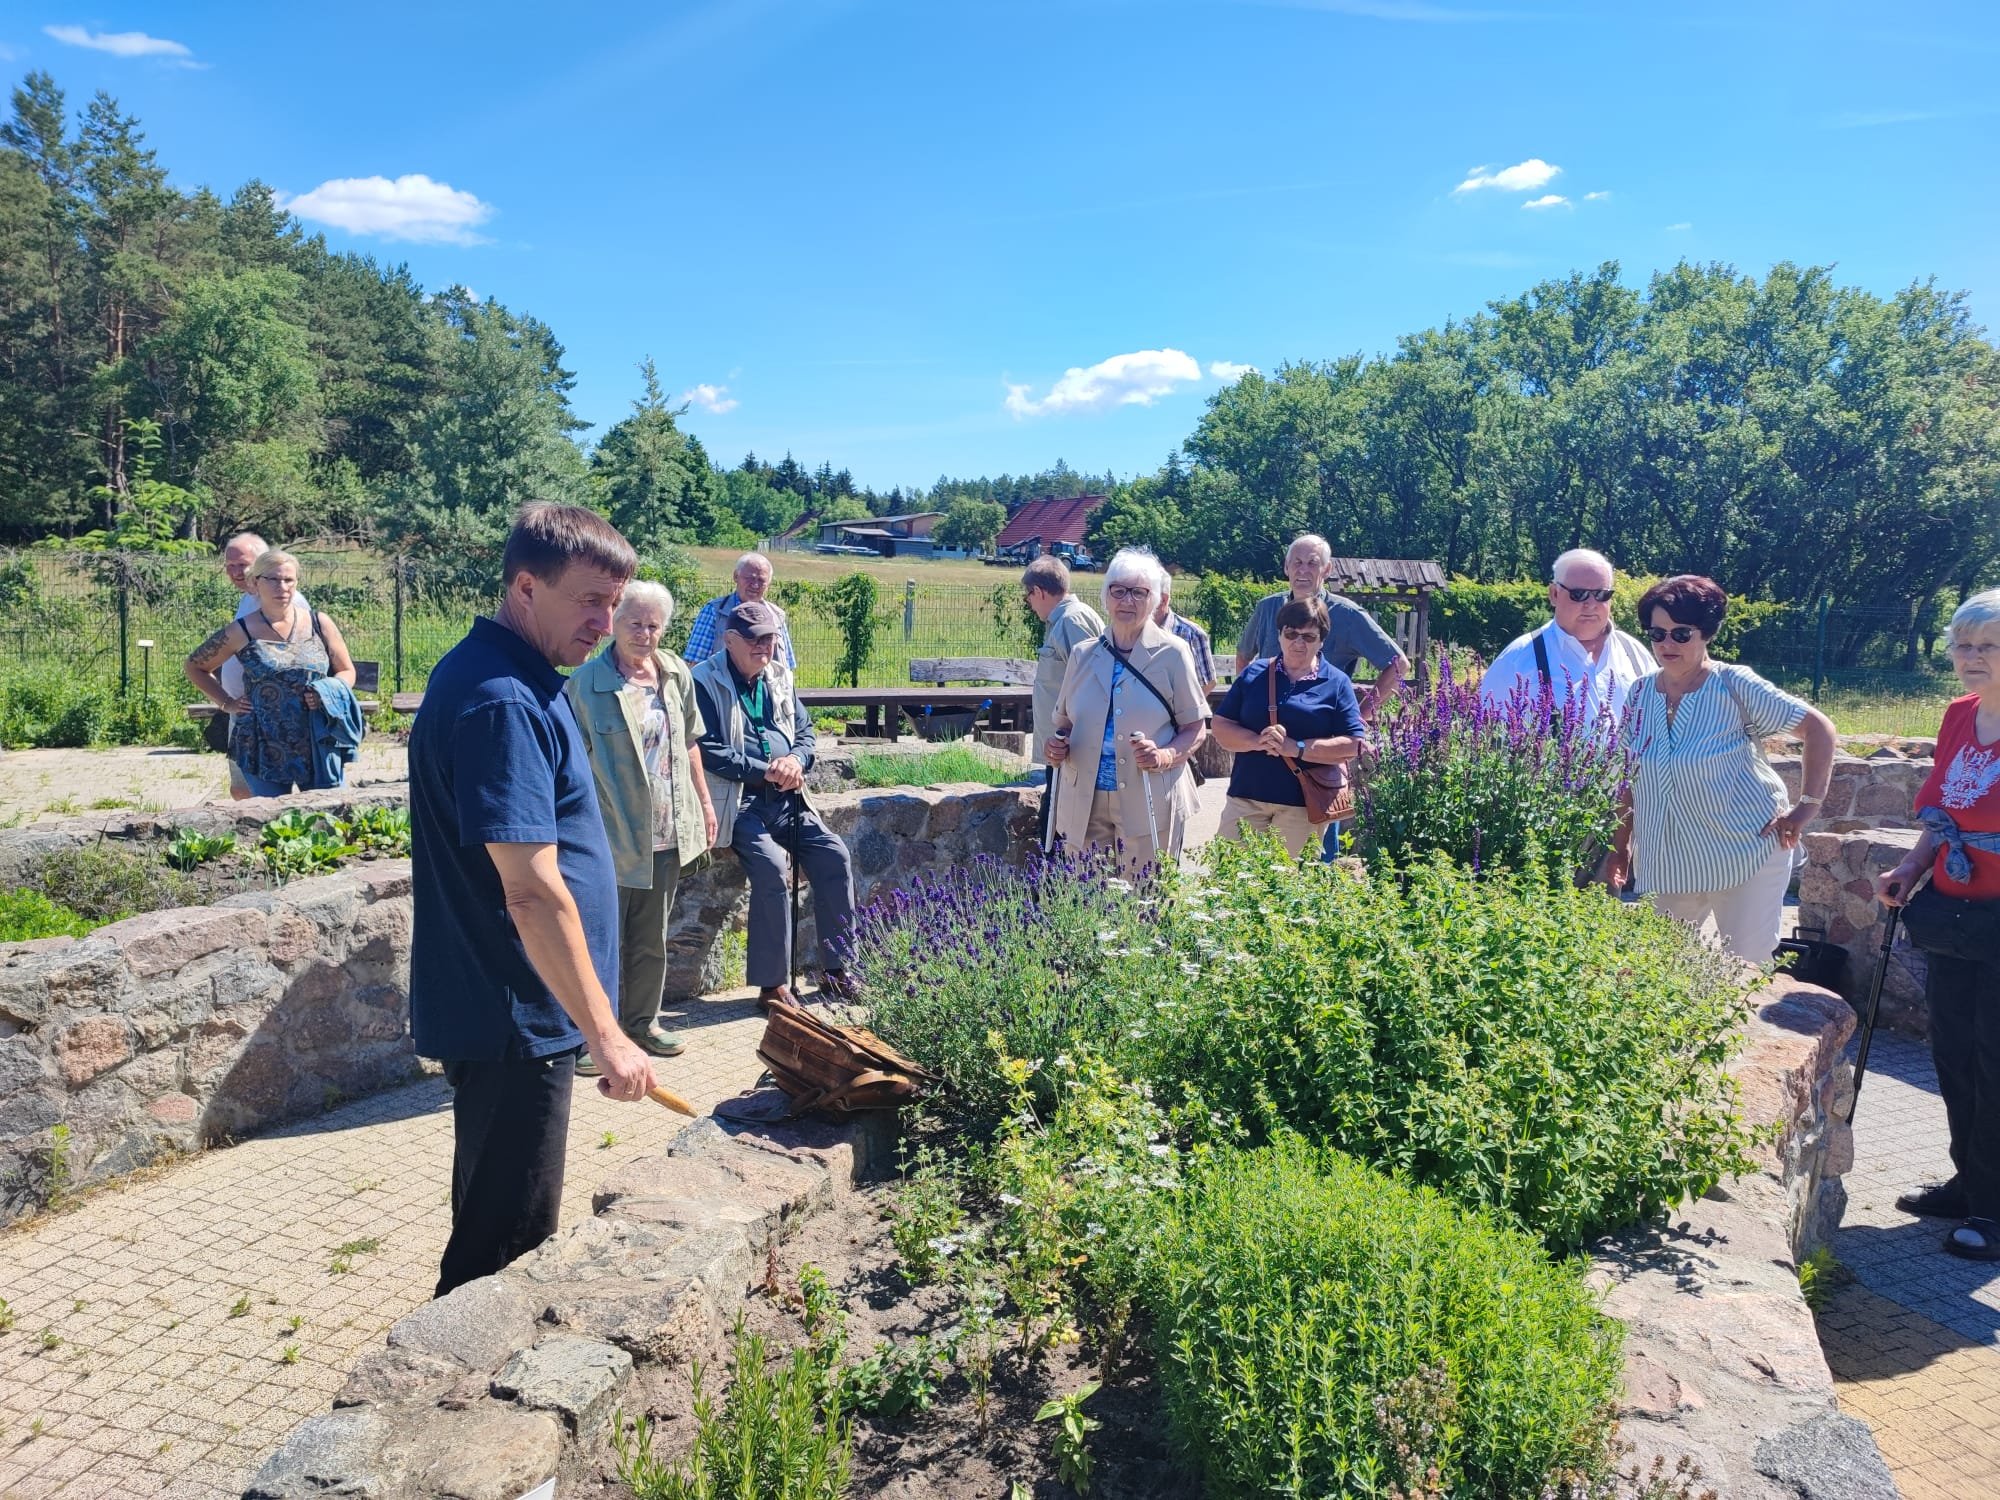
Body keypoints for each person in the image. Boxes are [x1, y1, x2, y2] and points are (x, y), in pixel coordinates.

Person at [407, 503, 653, 1298]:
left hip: (517, 1015)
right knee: (498, 1260)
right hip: (515, 1015)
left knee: (497, 1224)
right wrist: (608, 1036)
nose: (604, 622)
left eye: (615, 604)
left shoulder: (514, 677)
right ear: (524, 586)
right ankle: (455, 1409)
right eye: (589, 601)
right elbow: (531, 891)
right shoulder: (503, 699)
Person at [1606, 575, 1836, 964]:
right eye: (1657, 633)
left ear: (1707, 632)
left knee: (1743, 967)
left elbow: (1818, 729)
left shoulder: (1734, 685)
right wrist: (1620, 848)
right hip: (1668, 860)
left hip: (1745, 852)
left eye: (1681, 634)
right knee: (1662, 971)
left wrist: (1806, 808)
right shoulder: (1640, 693)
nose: (1666, 644)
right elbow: (1628, 775)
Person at [1874, 588, 2000, 1262]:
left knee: (1997, 1059)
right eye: (1963, 645)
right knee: (1952, 1049)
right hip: (1952, 910)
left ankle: (1995, 1208)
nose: (1971, 657)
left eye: (1988, 645)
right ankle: (1971, 1182)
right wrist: (1912, 866)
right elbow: (1939, 813)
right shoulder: (1958, 716)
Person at [566, 580, 718, 1072]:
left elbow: (691, 742)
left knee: (652, 937)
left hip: (666, 831)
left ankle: (642, 1024)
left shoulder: (676, 674)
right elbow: (569, 762)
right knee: (600, 940)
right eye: (635, 623)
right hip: (610, 834)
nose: (645, 634)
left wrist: (704, 803)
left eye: (654, 625)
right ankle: (596, 1037)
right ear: (614, 622)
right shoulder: (585, 683)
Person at [693, 600, 857, 1008]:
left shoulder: (778, 676)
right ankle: (772, 987)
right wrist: (764, 768)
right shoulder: (703, 681)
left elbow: (805, 732)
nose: (764, 648)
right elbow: (707, 747)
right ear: (730, 640)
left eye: (769, 639)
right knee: (771, 868)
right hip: (741, 801)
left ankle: (837, 970)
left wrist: (795, 761)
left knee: (834, 855)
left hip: (786, 796)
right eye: (754, 640)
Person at [1045, 549, 1210, 873]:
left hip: (1149, 799)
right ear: (1106, 597)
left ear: (1155, 600)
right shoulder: (1082, 655)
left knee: (1143, 903)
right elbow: (1063, 724)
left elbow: (1195, 727)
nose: (1127, 600)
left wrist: (1164, 756)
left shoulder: (1174, 653)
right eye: (1118, 590)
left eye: (1139, 592)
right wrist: (1056, 747)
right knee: (1087, 903)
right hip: (1084, 802)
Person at [185, 548, 358, 797]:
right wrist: (226, 703)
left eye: (289, 580)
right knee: (271, 823)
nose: (283, 587)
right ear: (256, 583)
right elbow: (195, 666)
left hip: (318, 740)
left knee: (329, 820)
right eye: (273, 579)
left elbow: (346, 671)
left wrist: (327, 693)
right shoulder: (241, 631)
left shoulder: (320, 623)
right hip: (261, 744)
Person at [1209, 596, 1371, 858]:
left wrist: (1295, 747)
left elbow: (1353, 744)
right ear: (1280, 635)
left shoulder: (1336, 683)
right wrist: (1258, 741)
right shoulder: (1254, 674)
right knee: (1230, 881)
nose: (1298, 642)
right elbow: (1221, 726)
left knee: (1284, 889)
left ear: (1322, 641)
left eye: (1308, 636)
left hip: (1301, 807)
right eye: (1291, 633)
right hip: (1245, 798)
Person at [1477, 548, 1653, 724]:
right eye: (1579, 594)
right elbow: (1487, 736)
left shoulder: (1634, 653)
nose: (1591, 604)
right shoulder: (1517, 659)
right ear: (1554, 594)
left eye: (1601, 594)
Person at [1234, 533, 1407, 707]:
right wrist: (1246, 703)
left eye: (1312, 563)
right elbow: (1243, 656)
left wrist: (1361, 716)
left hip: (1322, 724)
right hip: (1269, 722)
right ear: (1286, 567)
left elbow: (1398, 664)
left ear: (1327, 569)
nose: (1303, 570)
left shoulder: (1347, 615)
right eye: (1297, 562)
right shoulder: (1267, 608)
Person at [214, 532, 314, 799]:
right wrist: (227, 702)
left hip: (272, 718)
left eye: (242, 565)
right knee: (241, 788)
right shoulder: (250, 598)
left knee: (264, 794)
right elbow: (196, 664)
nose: (235, 572)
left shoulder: (287, 601)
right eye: (230, 566)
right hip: (246, 712)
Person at [1024, 555, 1105, 849]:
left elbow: (1093, 682)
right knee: (1054, 827)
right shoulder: (1065, 620)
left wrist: (1072, 734)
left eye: (1028, 596)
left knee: (1057, 833)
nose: (1029, 604)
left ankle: (1054, 891)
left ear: (1039, 592)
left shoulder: (1072, 620)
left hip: (1068, 745)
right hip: (1060, 746)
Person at [682, 552, 796, 671]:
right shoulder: (715, 611)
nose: (755, 585)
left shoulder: (777, 615)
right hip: (723, 687)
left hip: (766, 688)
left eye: (761, 580)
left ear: (769, 584)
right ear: (736, 576)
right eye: (749, 578)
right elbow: (695, 665)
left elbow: (787, 666)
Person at [1155, 572, 1215, 689]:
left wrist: (1183, 706)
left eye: (1144, 594)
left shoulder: (1192, 634)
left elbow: (1207, 683)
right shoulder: (1133, 631)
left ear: (1163, 599)